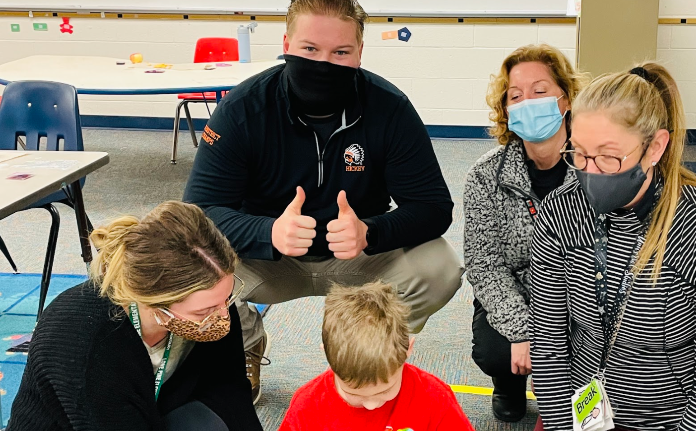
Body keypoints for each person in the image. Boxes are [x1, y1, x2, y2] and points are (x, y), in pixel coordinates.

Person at [183, 0, 462, 404]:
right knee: (183, 265)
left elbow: (434, 208)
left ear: (360, 52)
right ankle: (243, 343)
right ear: (286, 44)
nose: (323, 64)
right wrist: (269, 231)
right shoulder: (243, 109)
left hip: (357, 259)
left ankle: (375, 356)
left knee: (440, 266)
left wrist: (371, 232)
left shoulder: (389, 108)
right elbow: (200, 212)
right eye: (310, 50)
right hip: (265, 259)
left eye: (341, 53)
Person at [529, 62, 696, 431]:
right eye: (580, 154)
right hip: (583, 412)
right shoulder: (559, 213)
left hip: (680, 416)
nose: (590, 172)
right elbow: (549, 347)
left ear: (655, 147)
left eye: (608, 156)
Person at [7, 201, 262, 431]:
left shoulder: (213, 302)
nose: (222, 314)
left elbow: (232, 392)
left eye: (227, 298)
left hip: (154, 410)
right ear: (152, 301)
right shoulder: (84, 342)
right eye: (204, 311)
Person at [463, 44, 584, 422]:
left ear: (566, 99)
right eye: (516, 95)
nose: (527, 102)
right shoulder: (485, 176)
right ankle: (509, 383)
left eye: (540, 90)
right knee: (494, 350)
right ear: (505, 108)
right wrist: (521, 331)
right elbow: (484, 265)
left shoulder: (594, 166)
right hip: (515, 291)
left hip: (576, 293)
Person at [278, 281, 475, 430]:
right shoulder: (308, 406)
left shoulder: (434, 397)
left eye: (385, 391)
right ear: (328, 356)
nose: (372, 405)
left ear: (408, 350)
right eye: (354, 394)